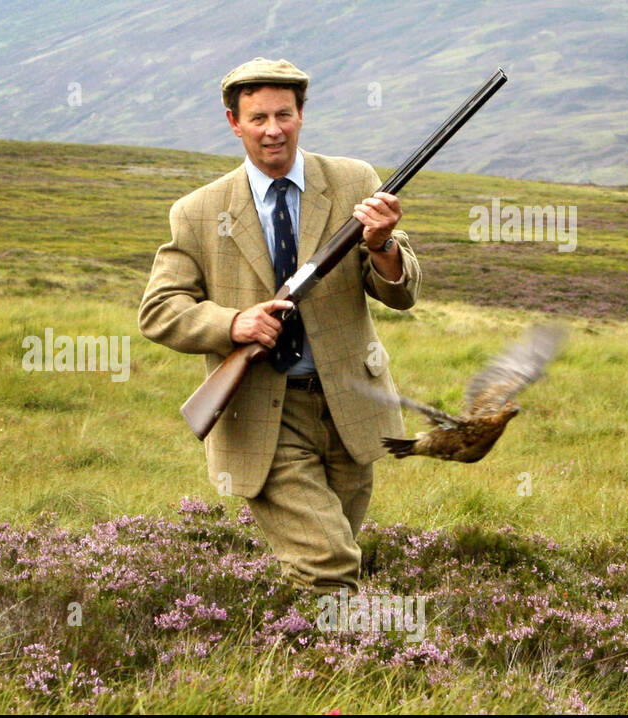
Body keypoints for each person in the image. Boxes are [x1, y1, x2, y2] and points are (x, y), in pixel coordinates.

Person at [138, 57, 421, 593]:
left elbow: (401, 292)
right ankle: (341, 669)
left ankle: (288, 656)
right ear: (234, 123)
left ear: (301, 115)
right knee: (329, 562)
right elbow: (159, 310)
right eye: (259, 117)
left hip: (350, 406)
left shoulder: (354, 182)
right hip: (264, 410)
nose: (273, 130)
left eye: (284, 115)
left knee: (331, 554)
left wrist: (382, 245)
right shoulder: (198, 211)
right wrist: (233, 323)